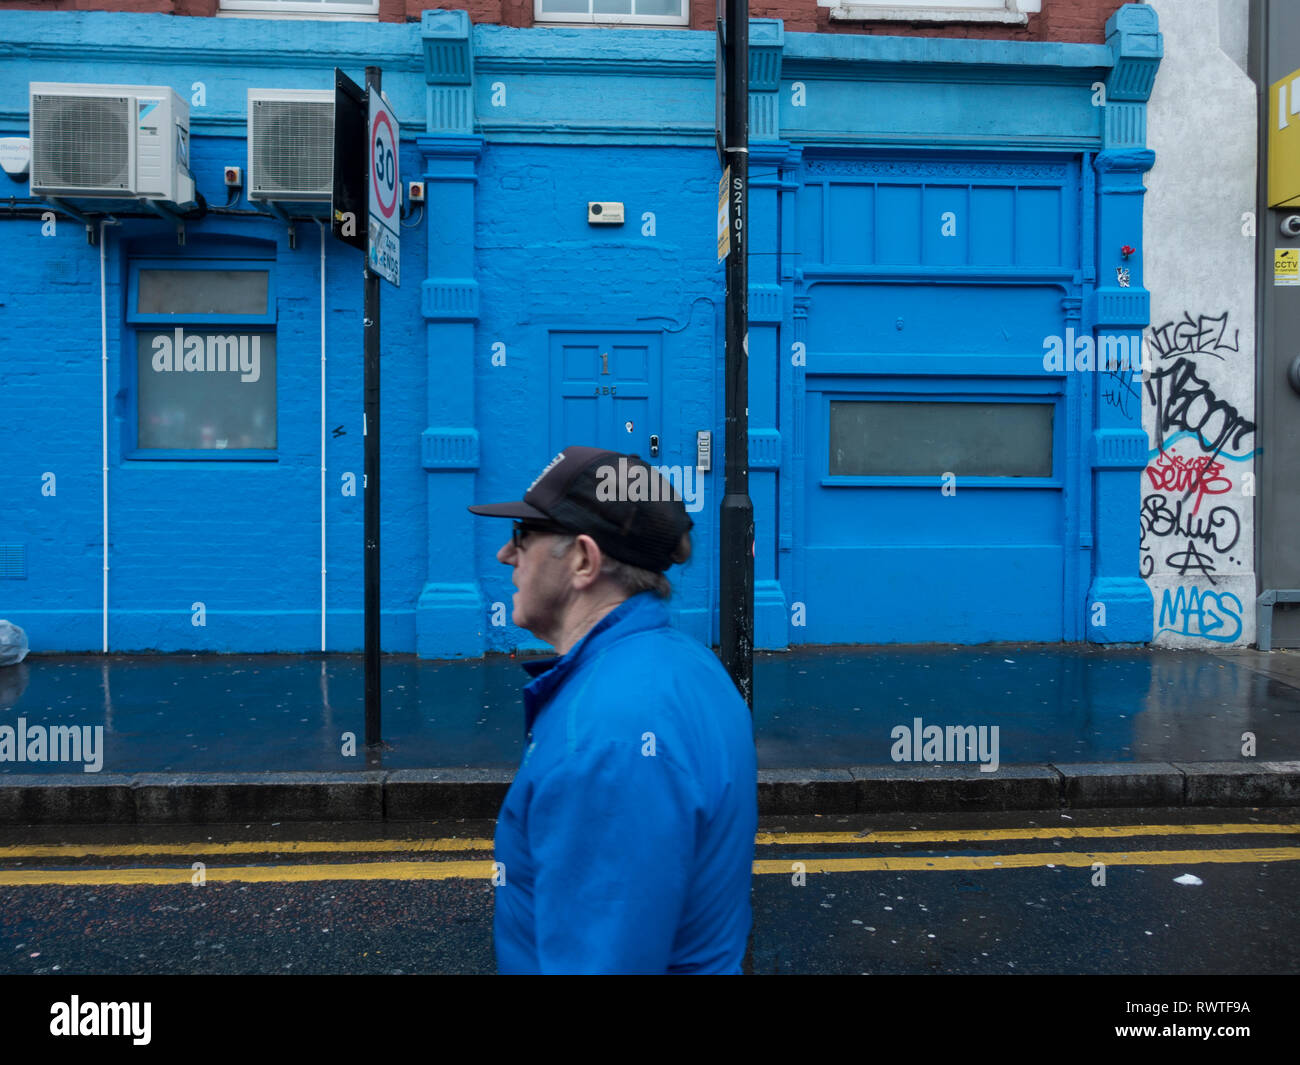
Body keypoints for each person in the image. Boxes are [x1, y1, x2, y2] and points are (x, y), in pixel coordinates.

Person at [468, 445, 758, 974]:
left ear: (583, 560)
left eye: (522, 537)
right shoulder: (690, 663)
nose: (505, 557)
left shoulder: (606, 740)